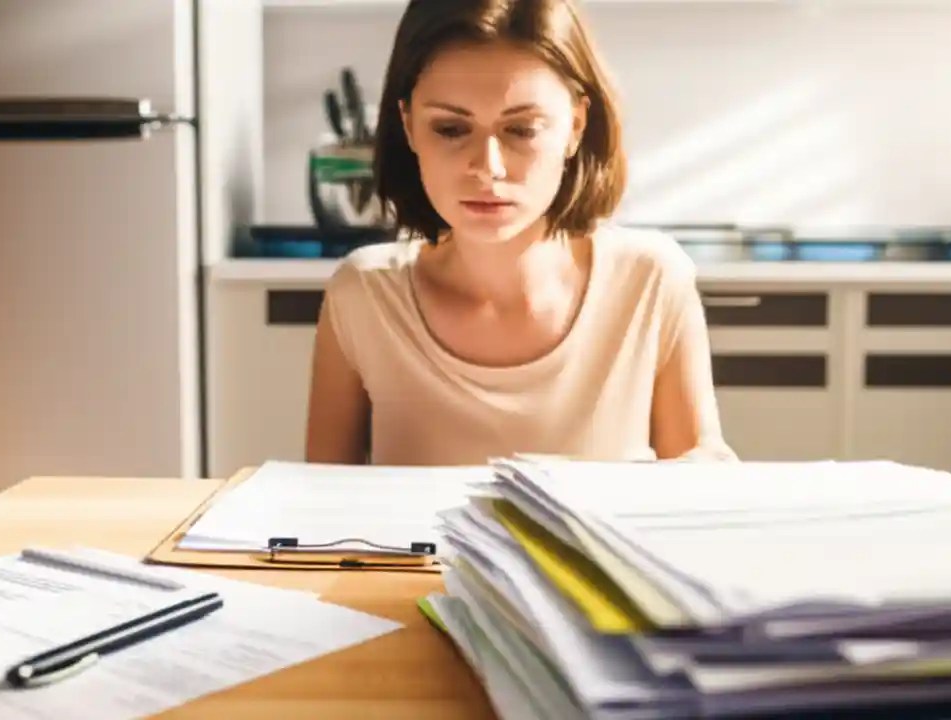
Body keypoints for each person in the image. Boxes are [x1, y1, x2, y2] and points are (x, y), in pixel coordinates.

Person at [305, 0, 736, 466]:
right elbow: (319, 505)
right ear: (409, 127)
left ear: (574, 126)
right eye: (451, 129)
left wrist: (706, 471)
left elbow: (699, 469)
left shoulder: (651, 280)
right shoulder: (364, 295)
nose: (488, 168)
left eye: (523, 130)